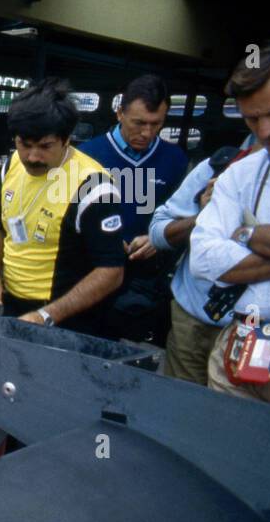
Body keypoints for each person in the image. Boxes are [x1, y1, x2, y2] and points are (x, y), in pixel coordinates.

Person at [189, 40, 270, 414]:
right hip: (237, 347)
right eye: (252, 119)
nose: (266, 131)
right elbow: (203, 258)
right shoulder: (240, 172)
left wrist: (244, 234)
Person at [0, 79, 125, 334]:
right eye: (25, 144)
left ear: (66, 139)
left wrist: (46, 315)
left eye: (45, 146)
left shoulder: (94, 187)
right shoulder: (13, 164)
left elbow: (111, 271)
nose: (32, 157)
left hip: (64, 318)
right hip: (12, 306)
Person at [80, 74, 190, 341]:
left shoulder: (175, 160)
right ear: (120, 113)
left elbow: (184, 217)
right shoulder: (86, 156)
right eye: (139, 123)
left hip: (144, 283)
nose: (147, 133)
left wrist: (160, 240)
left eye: (156, 124)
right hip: (89, 273)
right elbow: (69, 219)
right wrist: (102, 240)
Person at [149, 142, 252, 384]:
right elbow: (158, 232)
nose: (267, 131)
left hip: (252, 327)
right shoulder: (217, 166)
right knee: (179, 409)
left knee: (234, 413)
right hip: (191, 320)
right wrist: (204, 216)